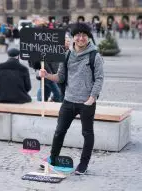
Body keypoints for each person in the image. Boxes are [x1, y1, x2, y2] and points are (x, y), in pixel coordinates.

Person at [39, 22, 104, 175]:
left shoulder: (95, 55)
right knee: (59, 131)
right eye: (78, 35)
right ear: (73, 37)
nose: (81, 38)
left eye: (84, 35)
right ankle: (52, 159)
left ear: (88, 37)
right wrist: (47, 75)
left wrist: (92, 98)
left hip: (86, 102)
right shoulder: (67, 54)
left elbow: (99, 79)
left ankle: (83, 164)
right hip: (68, 101)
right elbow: (61, 77)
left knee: (87, 134)